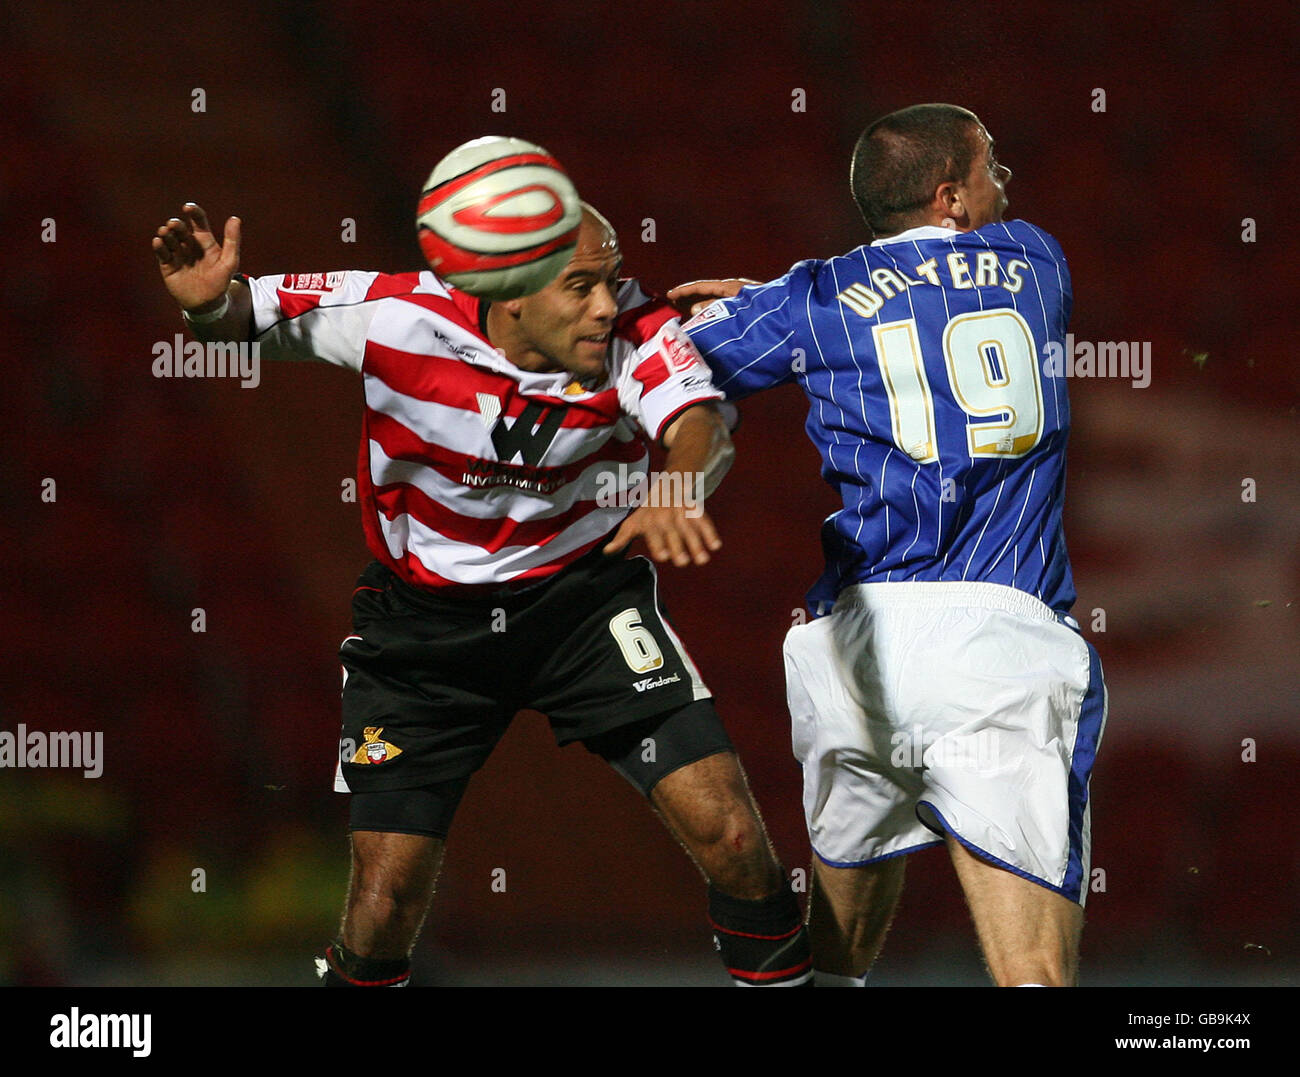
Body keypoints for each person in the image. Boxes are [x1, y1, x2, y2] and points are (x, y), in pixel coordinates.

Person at [152, 199, 811, 987]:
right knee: (384, 899)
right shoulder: (396, 314)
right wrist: (208, 304)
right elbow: (239, 316)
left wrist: (675, 484)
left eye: (613, 279)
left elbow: (699, 423)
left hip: (584, 606)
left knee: (735, 836)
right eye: (579, 286)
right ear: (512, 289)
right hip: (420, 632)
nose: (607, 302)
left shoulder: (634, 331)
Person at [672, 103, 1107, 987]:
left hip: (856, 645)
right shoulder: (1038, 259)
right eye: (993, 169)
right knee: (1034, 973)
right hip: (999, 638)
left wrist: (761, 304)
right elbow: (938, 306)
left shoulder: (810, 301)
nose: (1006, 186)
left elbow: (669, 355)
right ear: (950, 197)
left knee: (832, 965)